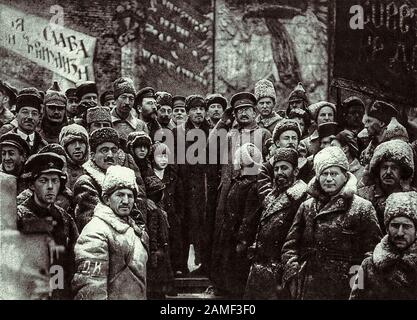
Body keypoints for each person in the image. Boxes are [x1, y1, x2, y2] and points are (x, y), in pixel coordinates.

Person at [281, 146, 381, 299]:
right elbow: (290, 246)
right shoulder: (307, 207)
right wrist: (294, 273)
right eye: (324, 174)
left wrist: (357, 288)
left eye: (334, 173)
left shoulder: (362, 207)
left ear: (345, 175)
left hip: (343, 289)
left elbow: (370, 254)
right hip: (308, 286)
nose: (328, 179)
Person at [72, 165, 149, 300]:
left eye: (130, 196)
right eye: (119, 195)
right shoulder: (95, 231)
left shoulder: (135, 230)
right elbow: (91, 288)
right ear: (107, 199)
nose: (125, 201)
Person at [245, 148, 307, 299]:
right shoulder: (272, 196)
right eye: (276, 168)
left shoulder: (302, 198)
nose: (279, 172)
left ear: (296, 171)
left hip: (281, 273)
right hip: (261, 271)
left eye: (285, 168)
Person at [17, 152, 79, 299]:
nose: (50, 187)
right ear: (32, 184)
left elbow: (73, 259)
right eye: (43, 181)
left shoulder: (64, 218)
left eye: (55, 181)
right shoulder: (18, 217)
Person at [211, 143, 263, 298]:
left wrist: (242, 240)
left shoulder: (252, 186)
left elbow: (249, 216)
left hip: (239, 237)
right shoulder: (239, 182)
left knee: (237, 274)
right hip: (229, 234)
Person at [350, 191, 417, 300]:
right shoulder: (368, 266)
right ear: (387, 228)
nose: (400, 233)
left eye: (406, 226)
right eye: (395, 226)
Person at [173, 95, 212, 275]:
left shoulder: (211, 132)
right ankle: (180, 265)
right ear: (188, 112)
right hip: (184, 184)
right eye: (194, 109)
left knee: (203, 224)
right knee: (183, 223)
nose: (198, 112)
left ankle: (203, 264)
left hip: (204, 184)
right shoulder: (177, 132)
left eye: (202, 109)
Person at [358, 140, 415, 232]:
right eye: (385, 167)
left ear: (402, 172)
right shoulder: (364, 196)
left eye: (394, 168)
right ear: (378, 170)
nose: (388, 172)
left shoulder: (412, 197)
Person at [73, 127, 121, 230]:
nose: (110, 155)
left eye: (114, 150)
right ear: (93, 156)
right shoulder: (85, 182)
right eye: (104, 150)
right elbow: (90, 222)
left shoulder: (123, 180)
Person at [151, 142, 186, 276]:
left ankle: (176, 267)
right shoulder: (149, 175)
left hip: (171, 214)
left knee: (175, 239)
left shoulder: (173, 177)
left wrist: (178, 215)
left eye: (166, 157)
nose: (163, 160)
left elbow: (180, 198)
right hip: (156, 215)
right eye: (160, 156)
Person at [144, 174, 174, 299]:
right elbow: (154, 232)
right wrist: (154, 250)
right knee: (157, 285)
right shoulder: (154, 212)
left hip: (159, 250)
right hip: (158, 252)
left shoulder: (158, 210)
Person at [0, 88, 47, 155]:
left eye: (34, 113)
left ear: (39, 117)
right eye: (25, 112)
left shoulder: (44, 146)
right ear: (16, 115)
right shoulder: (4, 141)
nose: (30, 117)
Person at [360, 100, 398, 166]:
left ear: (381, 123)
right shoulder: (368, 149)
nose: (365, 126)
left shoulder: (393, 147)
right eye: (366, 122)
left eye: (369, 121)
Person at [111, 77, 147, 143]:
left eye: (131, 98)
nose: (127, 102)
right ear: (115, 100)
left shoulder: (140, 125)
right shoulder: (105, 122)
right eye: (123, 97)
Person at [59, 124, 90, 190]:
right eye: (72, 142)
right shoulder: (59, 171)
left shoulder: (93, 170)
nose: (77, 146)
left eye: (81, 142)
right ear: (64, 146)